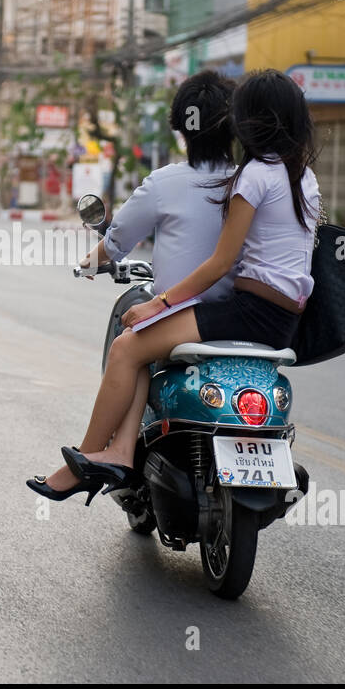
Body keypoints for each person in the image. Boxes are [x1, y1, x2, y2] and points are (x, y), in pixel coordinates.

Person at [29, 69, 320, 501]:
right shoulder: (303, 177)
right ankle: (123, 450)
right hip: (284, 318)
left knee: (128, 346)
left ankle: (90, 457)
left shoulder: (249, 176)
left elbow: (220, 261)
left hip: (245, 311)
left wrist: (158, 302)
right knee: (144, 346)